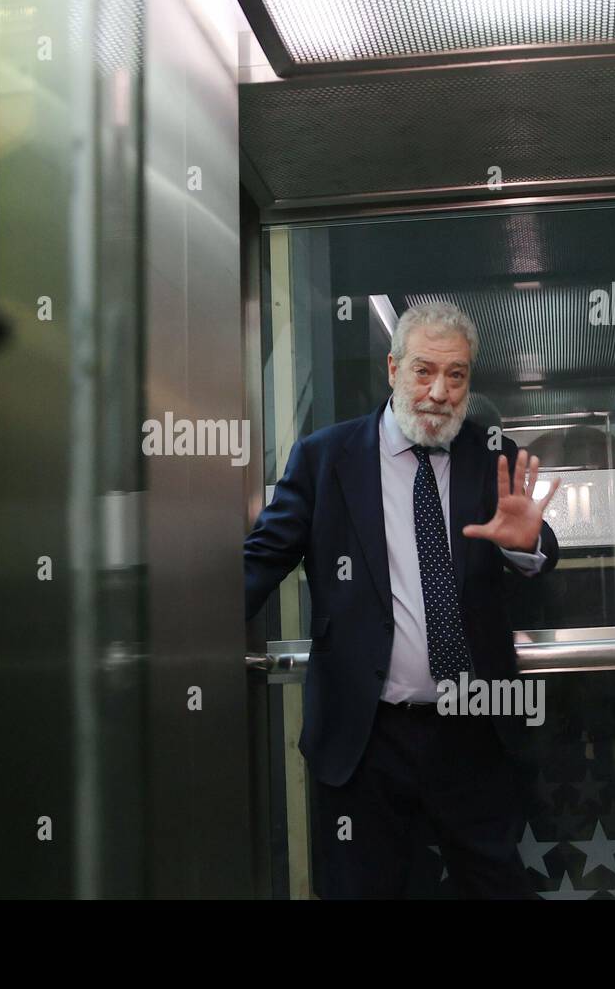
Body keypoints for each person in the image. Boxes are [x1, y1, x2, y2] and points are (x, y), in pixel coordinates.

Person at [245, 301, 561, 899]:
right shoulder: (324, 459)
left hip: (474, 729)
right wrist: (180, 638)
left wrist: (526, 546)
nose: (440, 392)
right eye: (423, 370)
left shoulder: (490, 455)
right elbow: (260, 562)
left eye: (457, 375)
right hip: (365, 740)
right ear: (392, 369)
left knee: (497, 885)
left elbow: (537, 549)